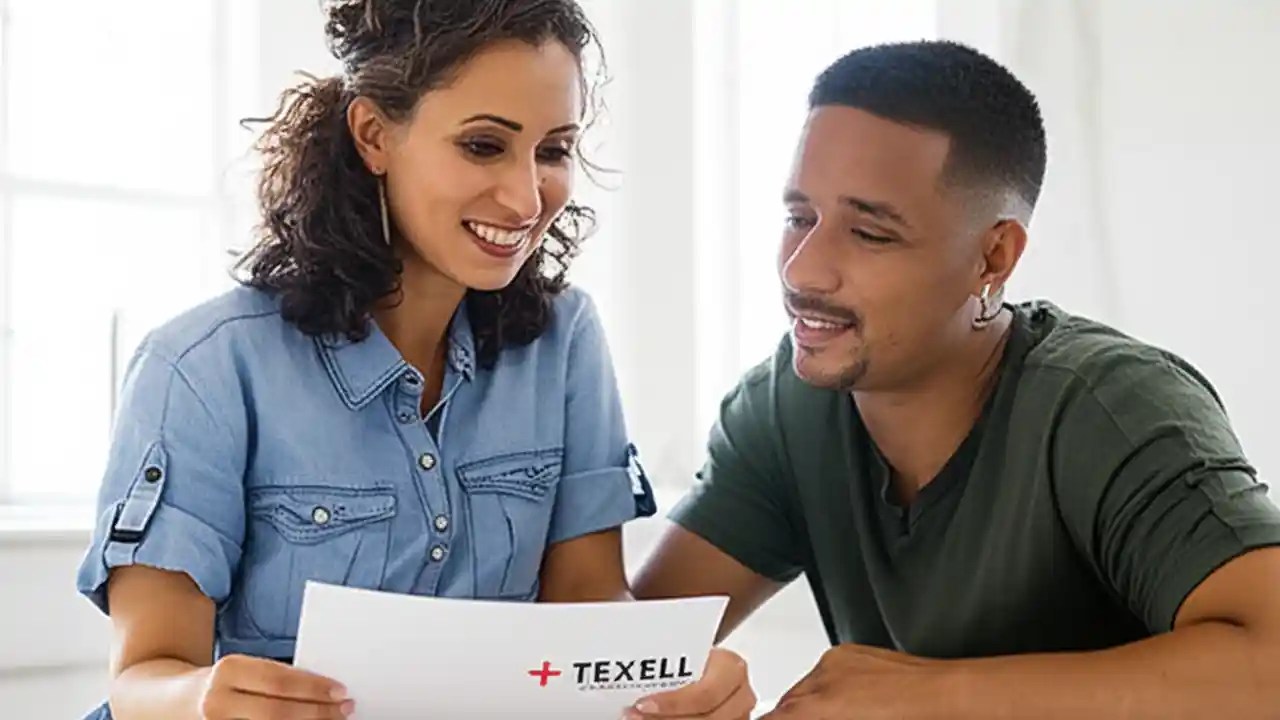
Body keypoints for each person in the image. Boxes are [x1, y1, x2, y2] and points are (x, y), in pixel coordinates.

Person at [74, 1, 751, 718]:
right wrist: (204, 700)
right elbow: (144, 676)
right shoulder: (202, 368)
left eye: (552, 151)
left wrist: (673, 683)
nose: (526, 198)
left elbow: (586, 606)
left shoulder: (565, 341)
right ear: (373, 134)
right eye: (484, 145)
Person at [631, 40, 1280, 717]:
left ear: (992, 256)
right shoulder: (786, 410)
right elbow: (621, 651)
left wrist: (938, 694)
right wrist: (681, 695)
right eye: (799, 218)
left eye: (871, 234)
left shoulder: (1109, 407)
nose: (802, 270)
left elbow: (1271, 662)